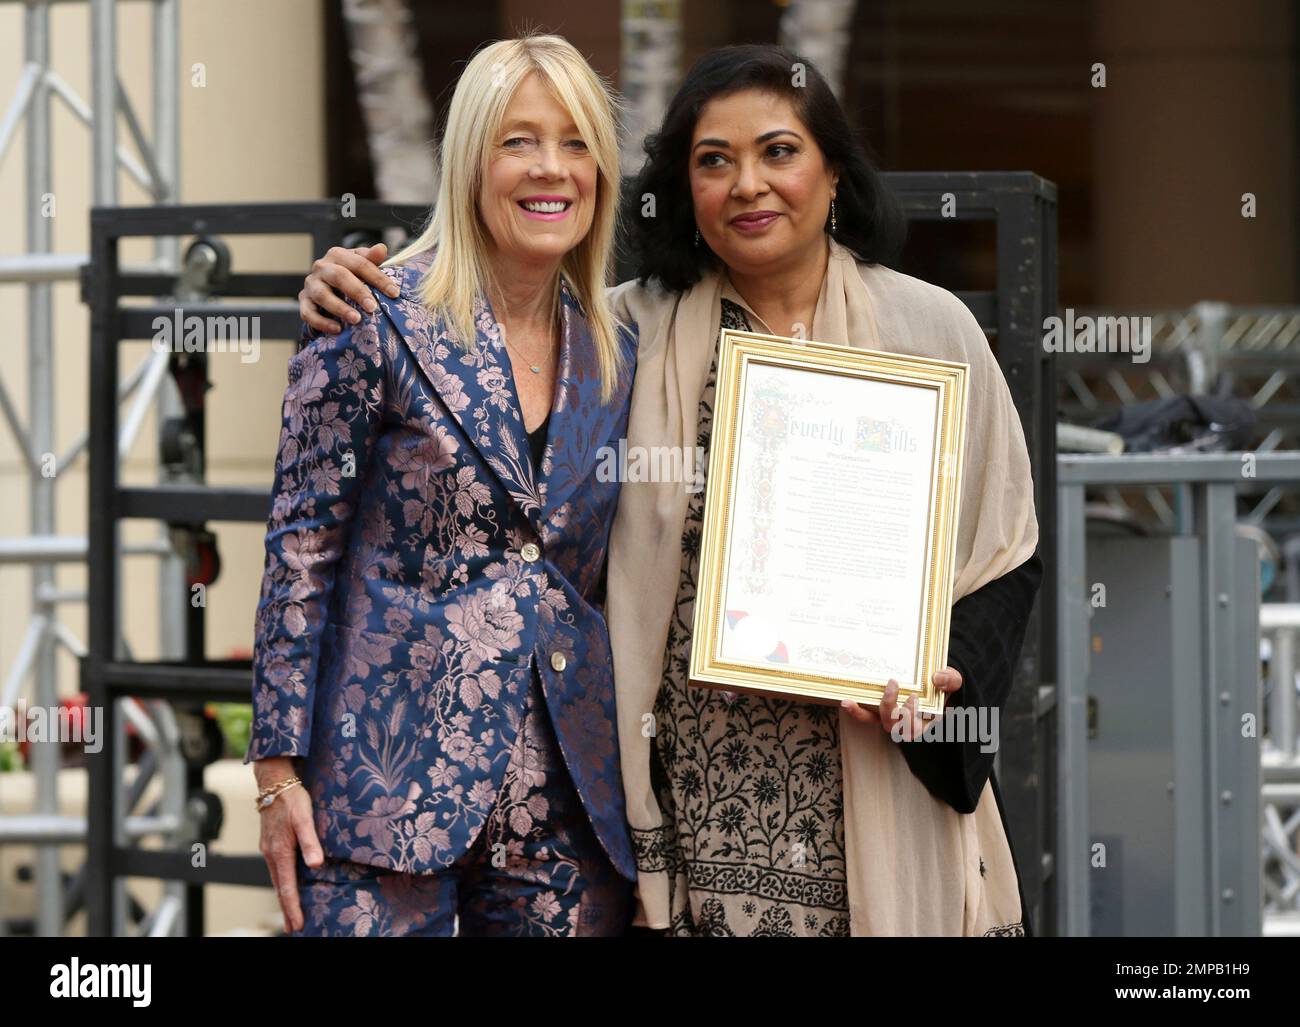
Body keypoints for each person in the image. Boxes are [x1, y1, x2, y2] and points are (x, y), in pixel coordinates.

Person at [299, 45, 1042, 937]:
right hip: (690, 805)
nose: (748, 185)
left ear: (833, 170)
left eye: (779, 152)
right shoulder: (619, 331)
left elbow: (1007, 549)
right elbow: (489, 338)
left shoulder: (931, 330)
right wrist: (346, 284)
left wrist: (940, 688)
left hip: (873, 784)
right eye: (713, 161)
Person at [247, 34, 637, 937]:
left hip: (562, 810)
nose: (553, 169)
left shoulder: (619, 353)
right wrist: (277, 776)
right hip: (380, 795)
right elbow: (300, 553)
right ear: (469, 161)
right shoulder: (370, 314)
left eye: (578, 142)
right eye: (519, 140)